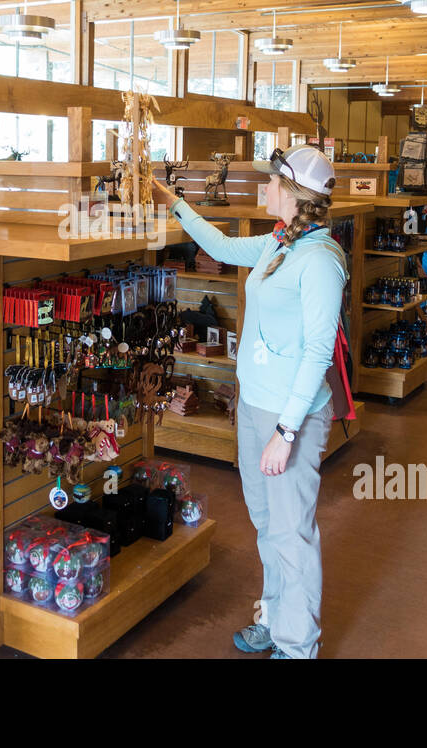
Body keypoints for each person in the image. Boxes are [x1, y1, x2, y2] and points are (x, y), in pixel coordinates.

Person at [151, 145, 344, 660]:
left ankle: (298, 644)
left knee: (291, 531)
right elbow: (218, 243)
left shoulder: (321, 260)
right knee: (266, 524)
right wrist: (172, 202)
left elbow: (317, 354)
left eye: (272, 180)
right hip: (255, 406)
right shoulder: (279, 244)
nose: (265, 187)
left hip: (290, 417)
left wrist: (285, 433)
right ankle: (276, 619)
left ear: (293, 192)